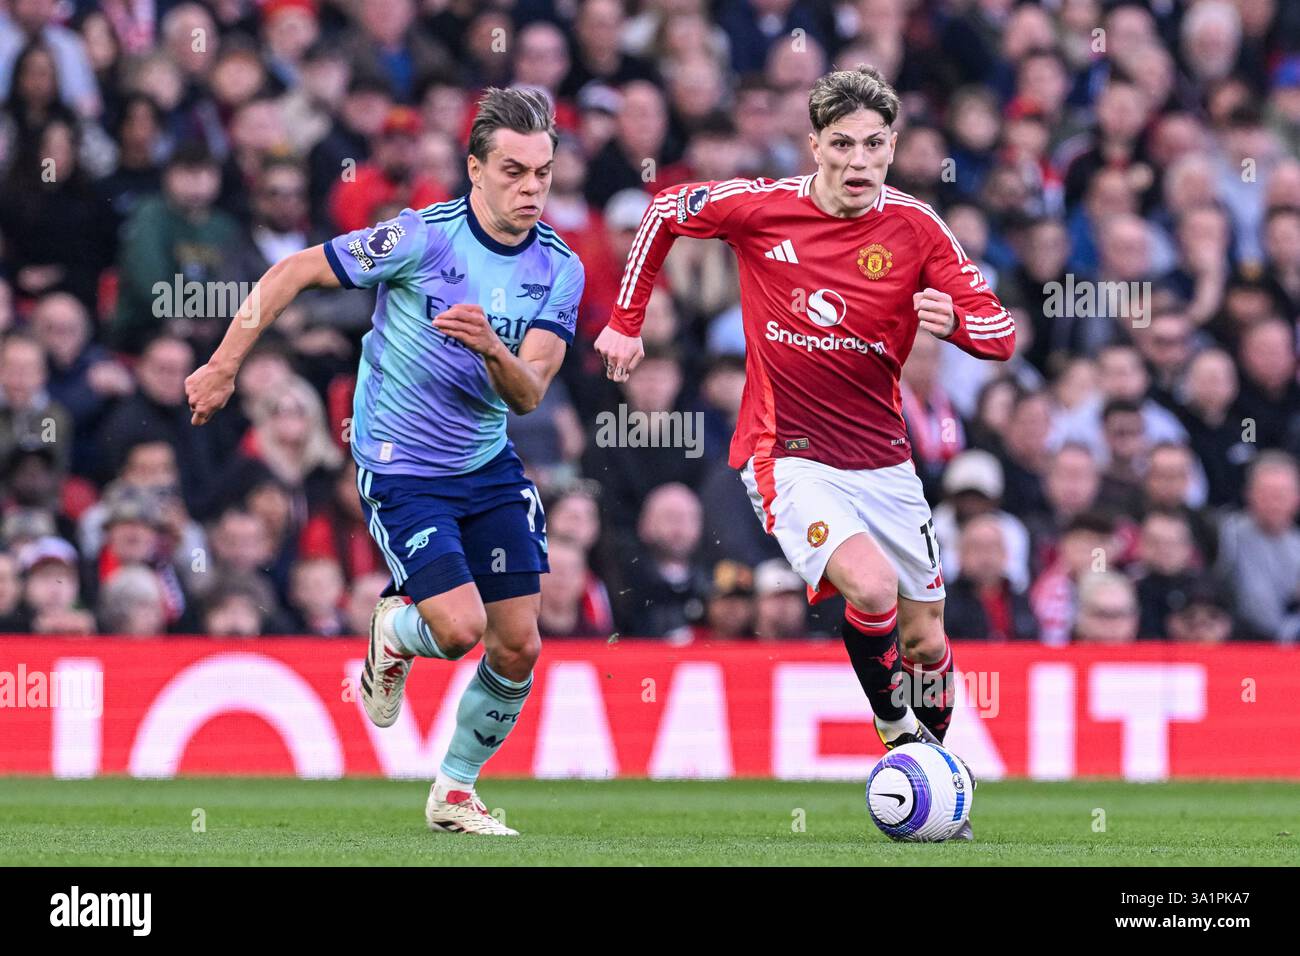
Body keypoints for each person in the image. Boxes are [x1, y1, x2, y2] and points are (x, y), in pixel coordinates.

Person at [595, 67, 1014, 831]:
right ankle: (898, 740)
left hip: (885, 463)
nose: (860, 162)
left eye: (876, 145)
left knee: (926, 642)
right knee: (872, 589)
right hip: (785, 450)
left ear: (894, 148)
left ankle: (937, 791)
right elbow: (662, 211)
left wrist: (958, 326)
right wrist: (627, 319)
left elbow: (1002, 329)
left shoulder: (917, 227)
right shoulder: (761, 209)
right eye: (844, 144)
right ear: (814, 144)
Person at [186, 87, 583, 835]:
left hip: (487, 462)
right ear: (473, 168)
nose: (531, 188)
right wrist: (223, 365)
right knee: (460, 630)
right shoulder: (420, 239)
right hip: (403, 466)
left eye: (543, 172)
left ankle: (455, 792)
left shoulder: (558, 269)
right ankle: (396, 631)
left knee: (520, 643)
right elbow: (294, 270)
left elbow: (529, 392)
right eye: (513, 170)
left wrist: (493, 348)